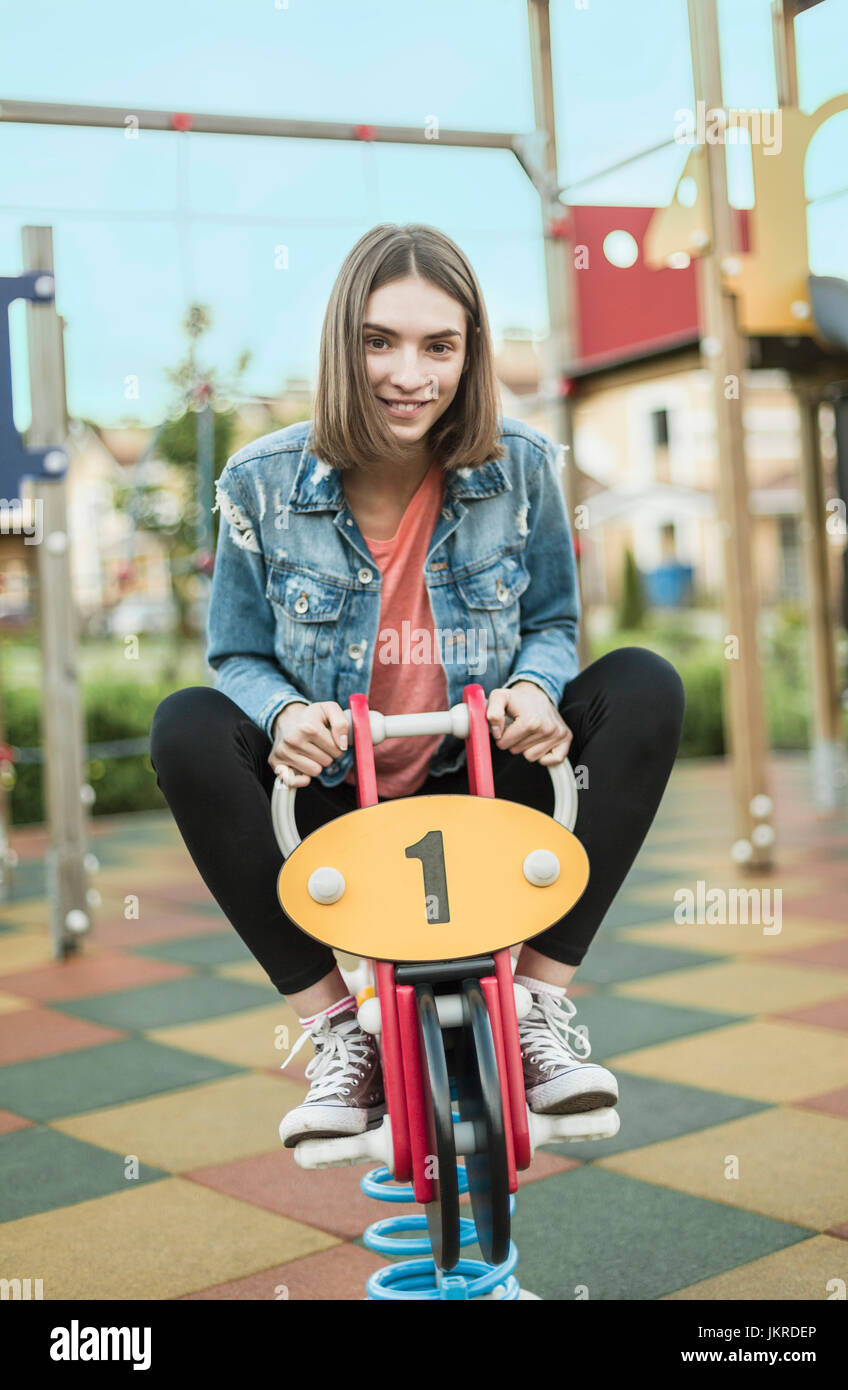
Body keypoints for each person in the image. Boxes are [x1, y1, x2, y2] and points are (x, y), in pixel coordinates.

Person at [149, 223, 685, 1150]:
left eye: (439, 345)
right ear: (341, 345)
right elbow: (235, 656)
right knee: (185, 727)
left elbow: (555, 624)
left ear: (470, 353)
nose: (409, 375)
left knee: (645, 681)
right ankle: (340, 1036)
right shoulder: (260, 483)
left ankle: (532, 1011)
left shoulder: (520, 467)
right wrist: (285, 716)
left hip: (482, 782)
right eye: (379, 341)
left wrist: (533, 688)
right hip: (334, 798)